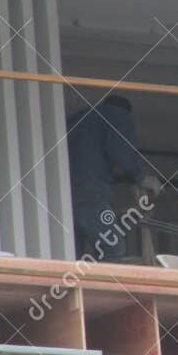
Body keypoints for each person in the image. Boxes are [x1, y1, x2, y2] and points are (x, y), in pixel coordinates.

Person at [67, 94, 151, 260]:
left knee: (72, 255)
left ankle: (76, 286)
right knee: (113, 249)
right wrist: (140, 177)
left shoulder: (75, 121)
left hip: (64, 199)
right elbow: (121, 152)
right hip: (91, 194)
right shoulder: (116, 115)